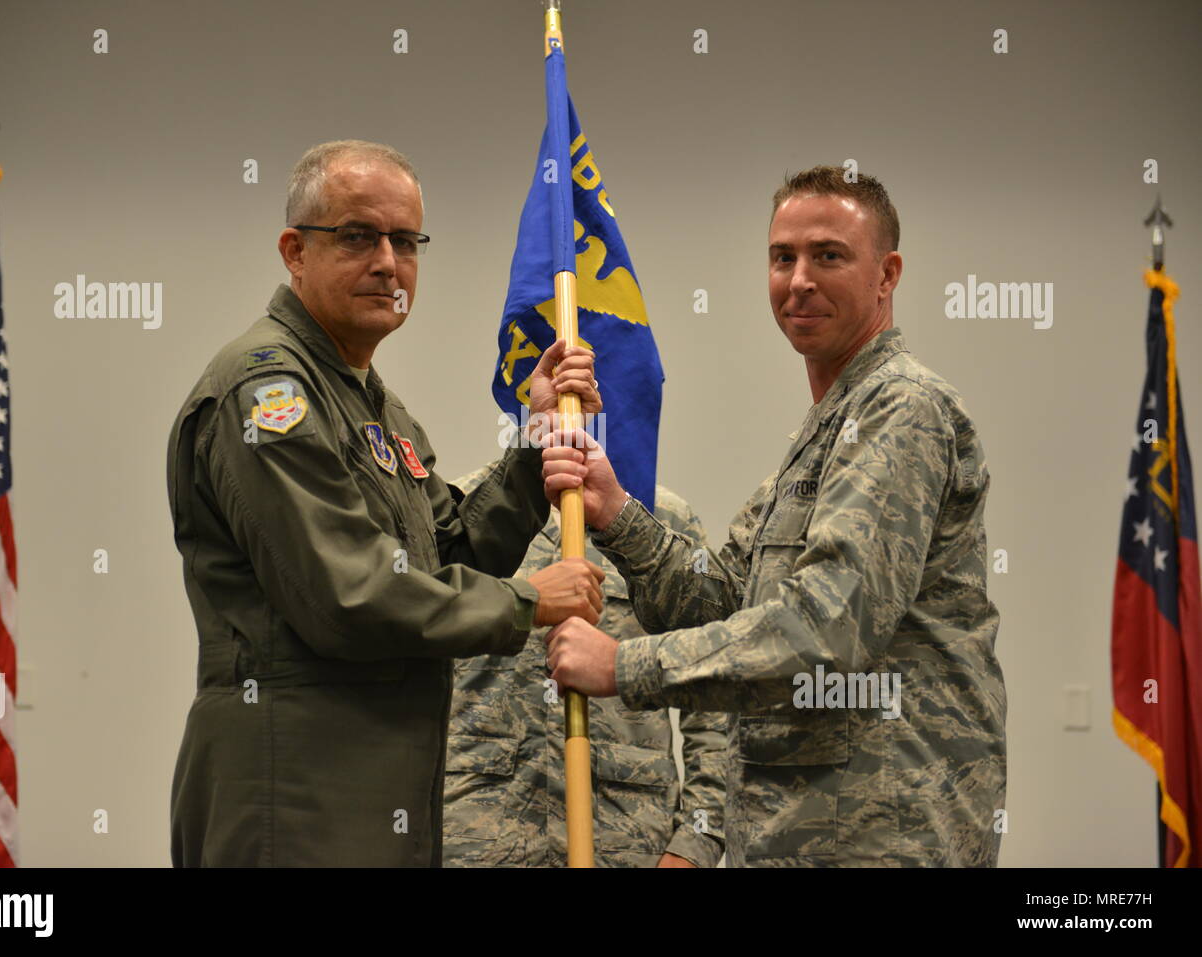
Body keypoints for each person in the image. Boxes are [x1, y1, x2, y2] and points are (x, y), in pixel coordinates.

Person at [540, 166, 1007, 867]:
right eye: (782, 257)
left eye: (828, 255)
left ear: (887, 273)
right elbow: (716, 599)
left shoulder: (902, 409)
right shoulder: (824, 433)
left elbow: (826, 626)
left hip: (883, 834)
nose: (799, 280)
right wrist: (614, 511)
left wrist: (625, 665)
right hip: (800, 835)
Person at [166, 139, 605, 867]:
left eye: (406, 241)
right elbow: (350, 593)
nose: (387, 263)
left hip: (375, 793)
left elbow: (448, 552)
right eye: (358, 236)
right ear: (294, 251)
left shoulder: (376, 409)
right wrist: (528, 603)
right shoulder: (267, 392)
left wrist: (532, 446)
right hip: (294, 789)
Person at [443, 465, 729, 868]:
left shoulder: (660, 522)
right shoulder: (464, 514)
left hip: (627, 841)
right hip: (478, 840)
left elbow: (713, 693)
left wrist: (694, 847)